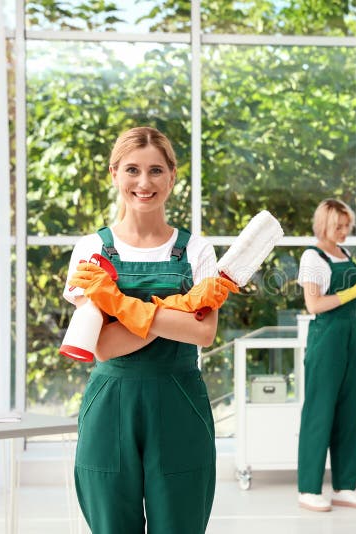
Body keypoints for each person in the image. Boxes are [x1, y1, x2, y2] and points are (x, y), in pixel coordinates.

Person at [64, 126, 237, 533]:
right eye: (132, 170)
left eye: (156, 170)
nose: (144, 183)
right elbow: (103, 346)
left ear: (172, 177)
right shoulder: (91, 250)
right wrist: (179, 308)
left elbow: (203, 334)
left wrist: (122, 306)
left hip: (179, 400)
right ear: (114, 173)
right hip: (110, 403)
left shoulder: (197, 251)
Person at [295, 198, 356, 512]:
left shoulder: (344, 254)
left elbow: (350, 303)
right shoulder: (313, 257)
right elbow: (315, 305)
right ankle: (308, 489)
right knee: (319, 412)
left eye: (348, 226)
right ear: (324, 224)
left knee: (350, 414)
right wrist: (352, 290)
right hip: (326, 339)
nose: (345, 231)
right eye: (339, 226)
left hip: (350, 336)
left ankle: (345, 486)